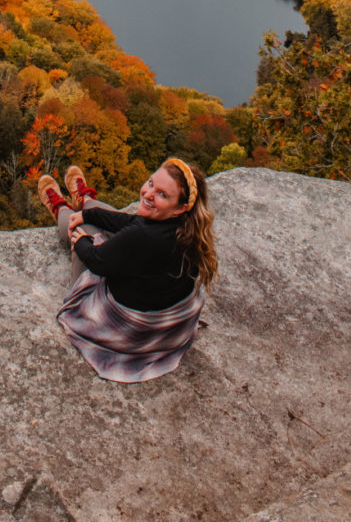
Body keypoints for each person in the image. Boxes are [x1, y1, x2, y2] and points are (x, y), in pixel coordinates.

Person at [37, 159, 217, 383]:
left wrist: (82, 239)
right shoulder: (188, 228)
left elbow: (97, 261)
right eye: (151, 183)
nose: (149, 193)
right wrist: (89, 213)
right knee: (103, 214)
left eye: (162, 194)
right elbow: (133, 222)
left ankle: (61, 208)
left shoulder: (141, 237)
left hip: (129, 330)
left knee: (81, 228)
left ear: (181, 208)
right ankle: (86, 201)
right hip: (172, 326)